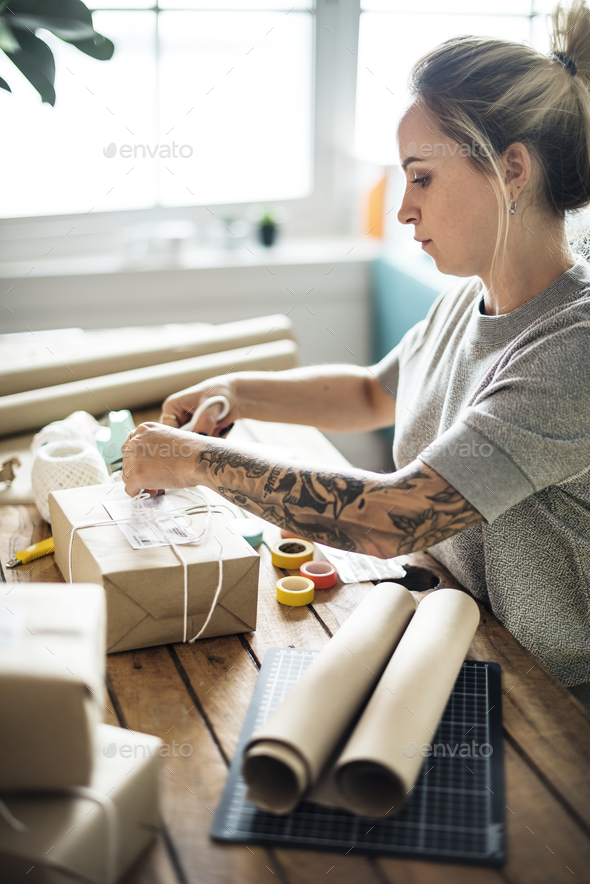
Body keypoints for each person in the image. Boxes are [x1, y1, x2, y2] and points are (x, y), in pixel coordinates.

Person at [122, 1, 590, 706]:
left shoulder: (573, 346)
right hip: (454, 639)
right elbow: (372, 393)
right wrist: (237, 390)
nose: (403, 210)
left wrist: (194, 460)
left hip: (551, 703)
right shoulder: (474, 295)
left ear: (512, 170)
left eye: (422, 177)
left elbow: (390, 519)